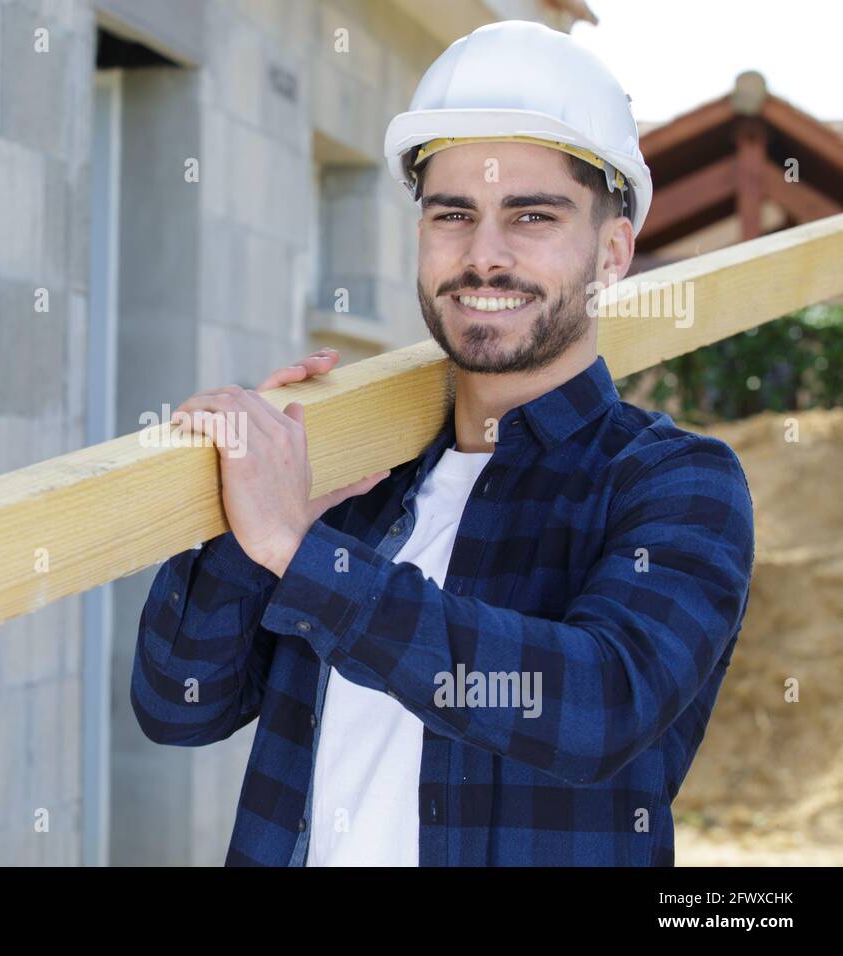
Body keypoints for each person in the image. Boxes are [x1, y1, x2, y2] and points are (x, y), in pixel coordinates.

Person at [129, 20, 755, 866]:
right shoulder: (362, 486)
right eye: (451, 214)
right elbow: (179, 707)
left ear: (612, 252)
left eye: (531, 216)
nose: (483, 257)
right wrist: (253, 528)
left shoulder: (676, 483)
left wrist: (300, 552)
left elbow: (596, 707)